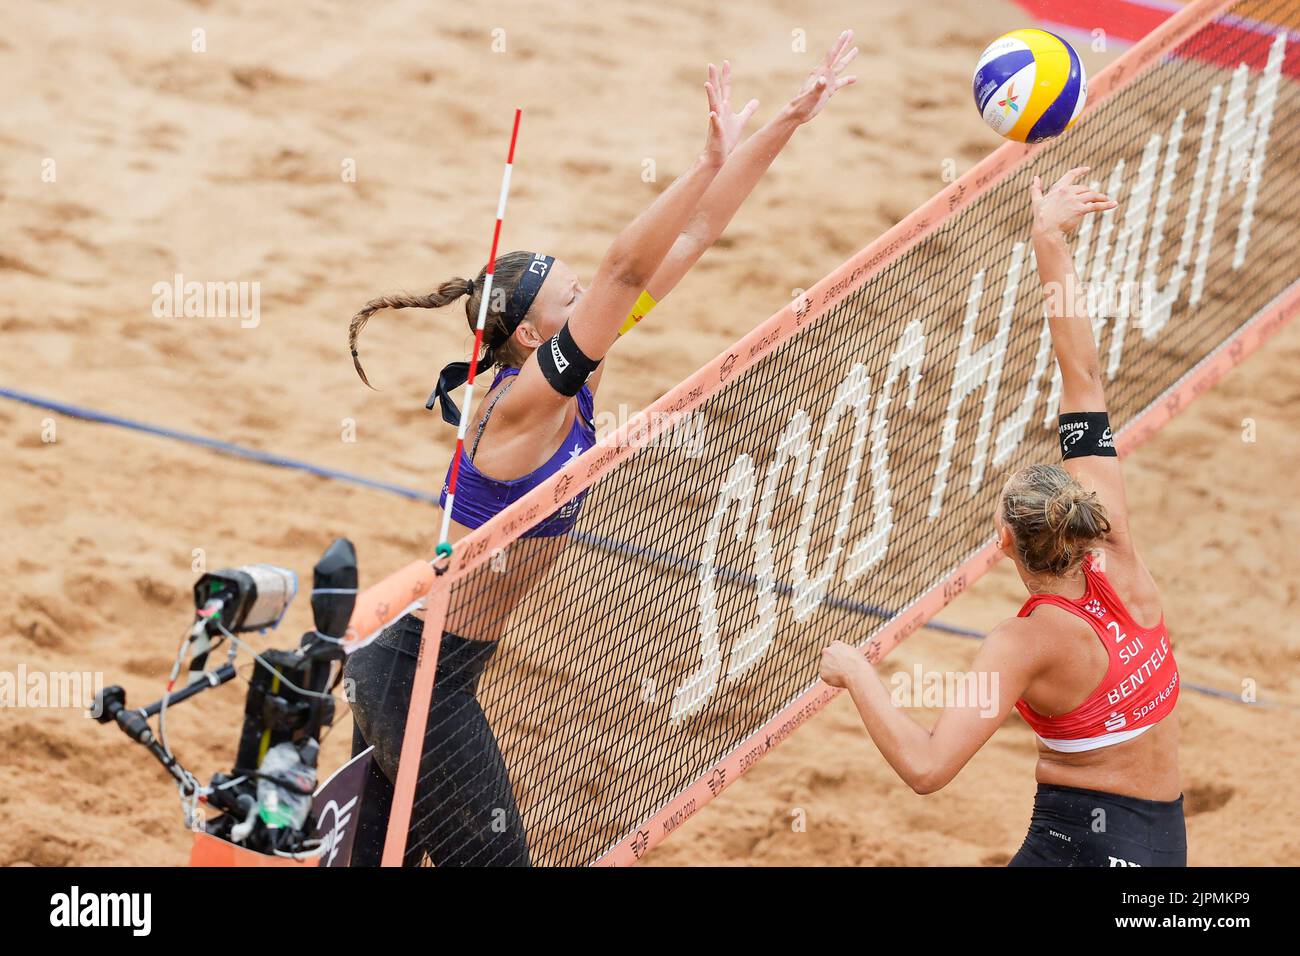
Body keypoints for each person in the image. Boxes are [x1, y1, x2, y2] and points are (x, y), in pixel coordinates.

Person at [344, 34, 860, 866]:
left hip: (424, 667)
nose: (587, 296)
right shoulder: (522, 405)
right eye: (568, 297)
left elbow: (689, 236)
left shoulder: (569, 381)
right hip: (418, 683)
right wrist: (700, 158)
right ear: (533, 335)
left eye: (579, 289)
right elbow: (625, 265)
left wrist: (788, 122)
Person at [819, 167, 1185, 867]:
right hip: (1163, 843)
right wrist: (1050, 238)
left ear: (1004, 543)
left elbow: (927, 769)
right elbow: (1083, 374)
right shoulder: (1120, 561)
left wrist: (856, 672)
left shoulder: (1024, 644)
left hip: (1078, 848)